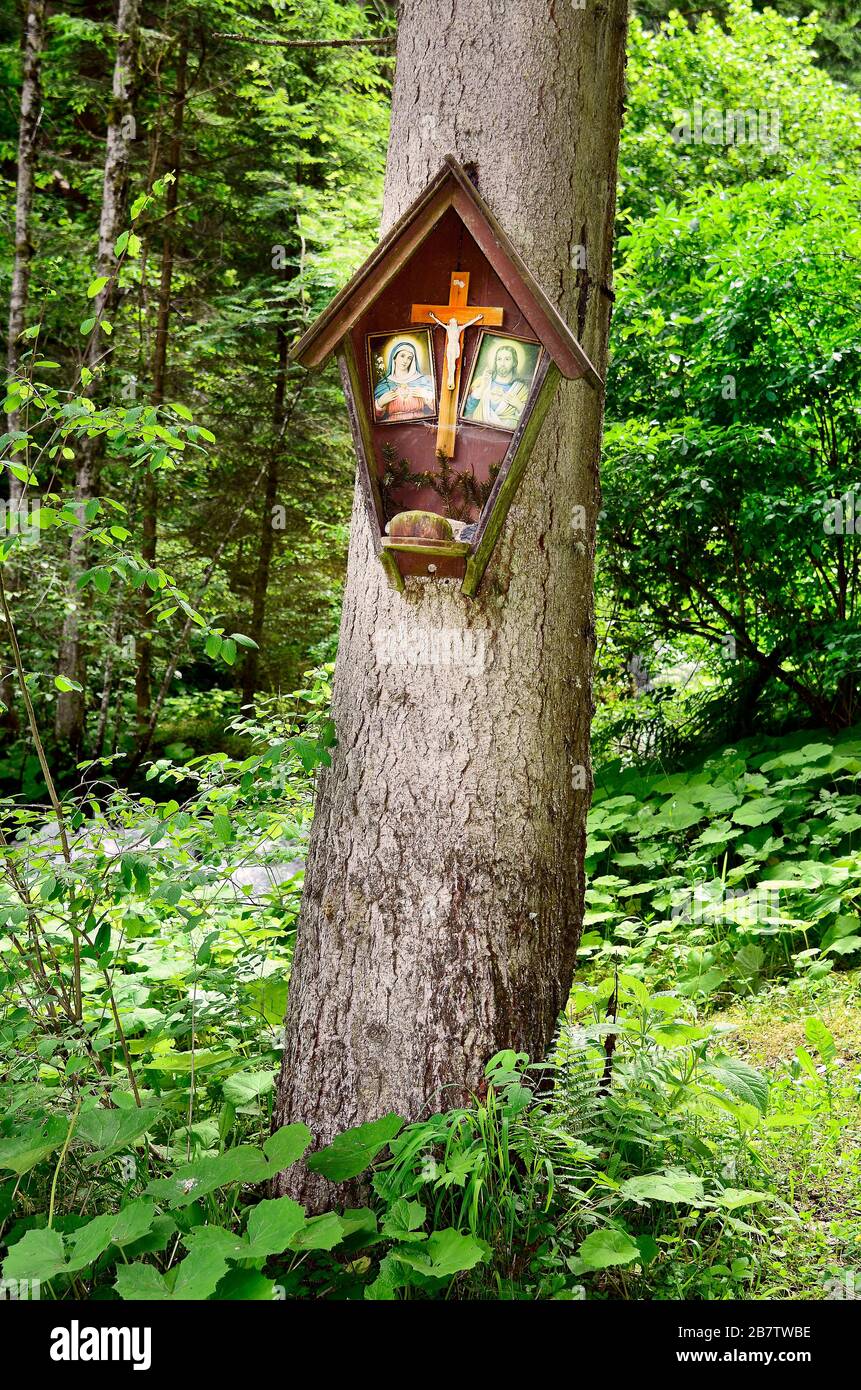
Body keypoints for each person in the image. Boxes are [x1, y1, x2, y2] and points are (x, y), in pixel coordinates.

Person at [463, 343, 530, 430]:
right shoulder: (481, 381)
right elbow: (467, 410)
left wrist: (518, 405)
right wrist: (483, 387)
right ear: (495, 362)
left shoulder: (521, 390)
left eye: (507, 359)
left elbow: (526, 421)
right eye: (499, 359)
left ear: (514, 362)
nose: (502, 363)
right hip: (477, 432)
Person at [373, 341, 435, 421]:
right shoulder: (385, 384)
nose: (405, 361)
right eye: (402, 356)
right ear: (394, 358)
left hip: (420, 424)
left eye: (409, 358)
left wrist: (428, 397)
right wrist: (379, 403)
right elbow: (374, 418)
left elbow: (439, 409)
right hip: (394, 428)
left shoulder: (422, 381)